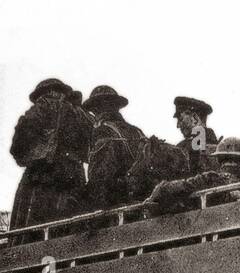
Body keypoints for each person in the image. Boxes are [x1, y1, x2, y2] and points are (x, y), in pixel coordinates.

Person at [9, 78, 92, 233]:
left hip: (41, 176)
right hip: (74, 174)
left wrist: (32, 156)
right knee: (71, 225)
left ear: (42, 93)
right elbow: (92, 143)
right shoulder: (81, 113)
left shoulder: (41, 107)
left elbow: (17, 146)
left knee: (32, 228)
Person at [83, 85, 146, 211]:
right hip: (140, 200)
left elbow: (100, 176)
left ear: (96, 110)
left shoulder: (103, 130)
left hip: (116, 205)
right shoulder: (137, 131)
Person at [173, 95, 218, 174]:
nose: (178, 126)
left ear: (195, 118)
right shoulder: (220, 147)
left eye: (180, 119)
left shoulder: (184, 148)